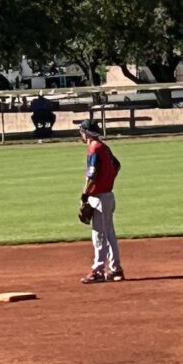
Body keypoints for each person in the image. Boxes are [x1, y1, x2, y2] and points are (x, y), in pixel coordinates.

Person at [76, 118, 124, 282]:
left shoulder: (94, 148)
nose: (81, 135)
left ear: (86, 133)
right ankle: (116, 269)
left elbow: (92, 175)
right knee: (109, 234)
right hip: (108, 196)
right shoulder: (104, 147)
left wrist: (85, 195)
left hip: (98, 197)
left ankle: (98, 271)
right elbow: (117, 165)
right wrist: (108, 180)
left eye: (81, 131)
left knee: (99, 236)